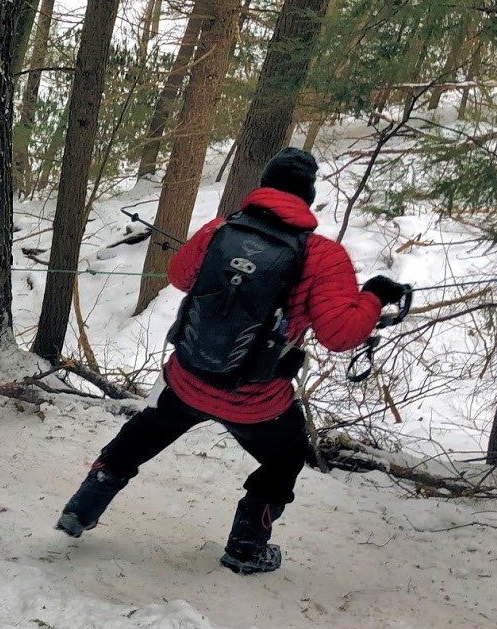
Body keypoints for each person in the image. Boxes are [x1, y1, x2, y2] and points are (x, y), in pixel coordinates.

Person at [54, 148, 410, 575]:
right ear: (307, 197)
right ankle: (245, 547)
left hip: (188, 377)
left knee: (144, 430)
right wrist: (373, 295)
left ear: (262, 187)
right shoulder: (323, 256)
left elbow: (180, 277)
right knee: (286, 456)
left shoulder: (222, 228)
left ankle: (82, 508)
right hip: (255, 400)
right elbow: (340, 336)